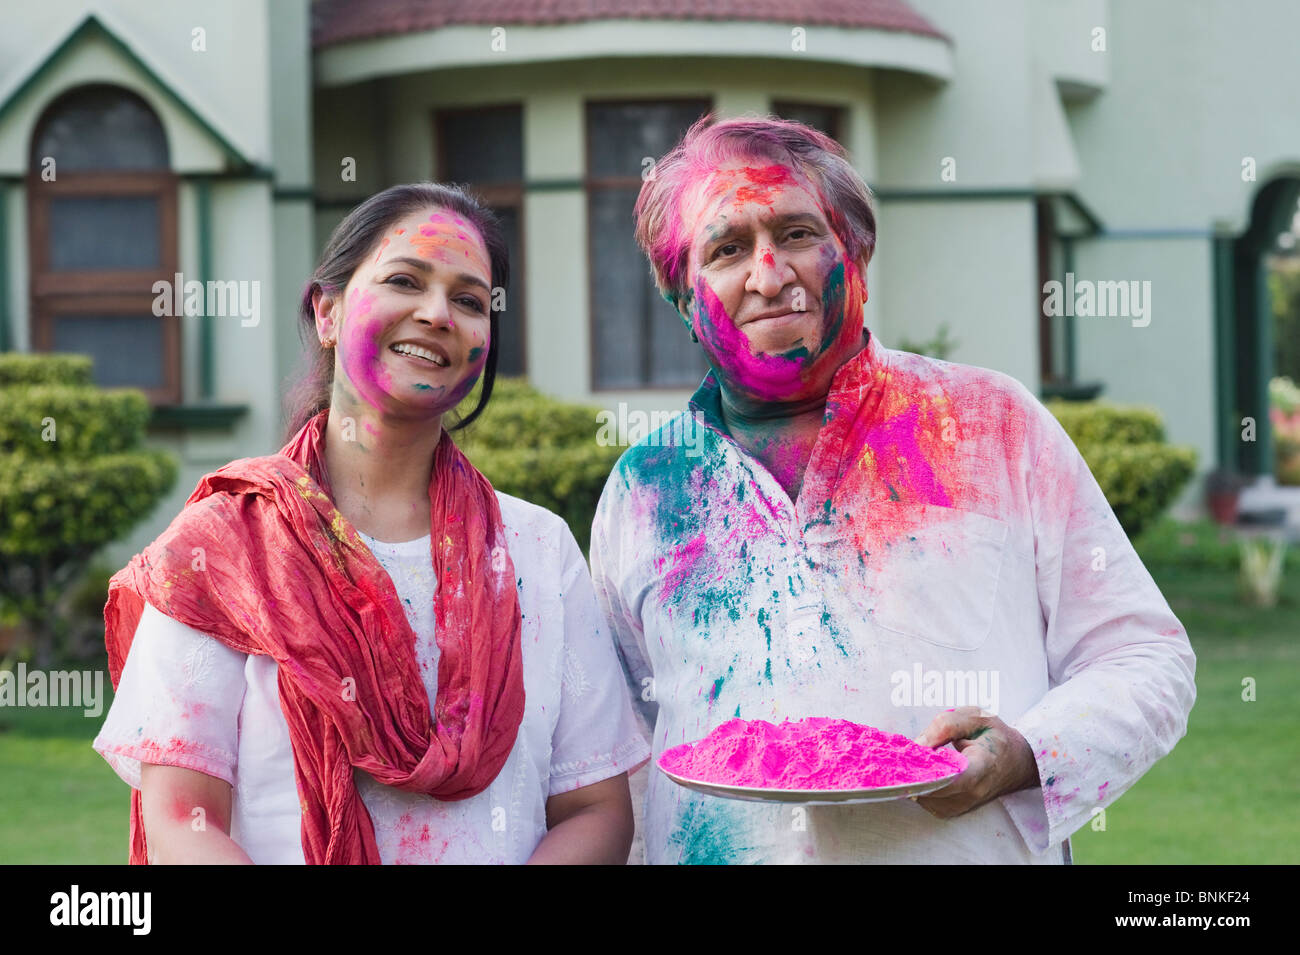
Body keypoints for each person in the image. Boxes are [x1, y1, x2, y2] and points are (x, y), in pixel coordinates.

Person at [590, 116, 1197, 864]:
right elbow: (624, 751)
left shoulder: (991, 424)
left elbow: (1144, 655)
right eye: (726, 249)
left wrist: (1026, 752)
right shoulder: (643, 492)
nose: (769, 273)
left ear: (857, 255)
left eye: (798, 233)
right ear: (685, 301)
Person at [95, 182, 649, 864]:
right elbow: (183, 819)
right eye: (404, 280)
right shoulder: (222, 549)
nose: (437, 313)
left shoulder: (536, 549)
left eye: (470, 300)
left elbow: (595, 808)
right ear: (327, 312)